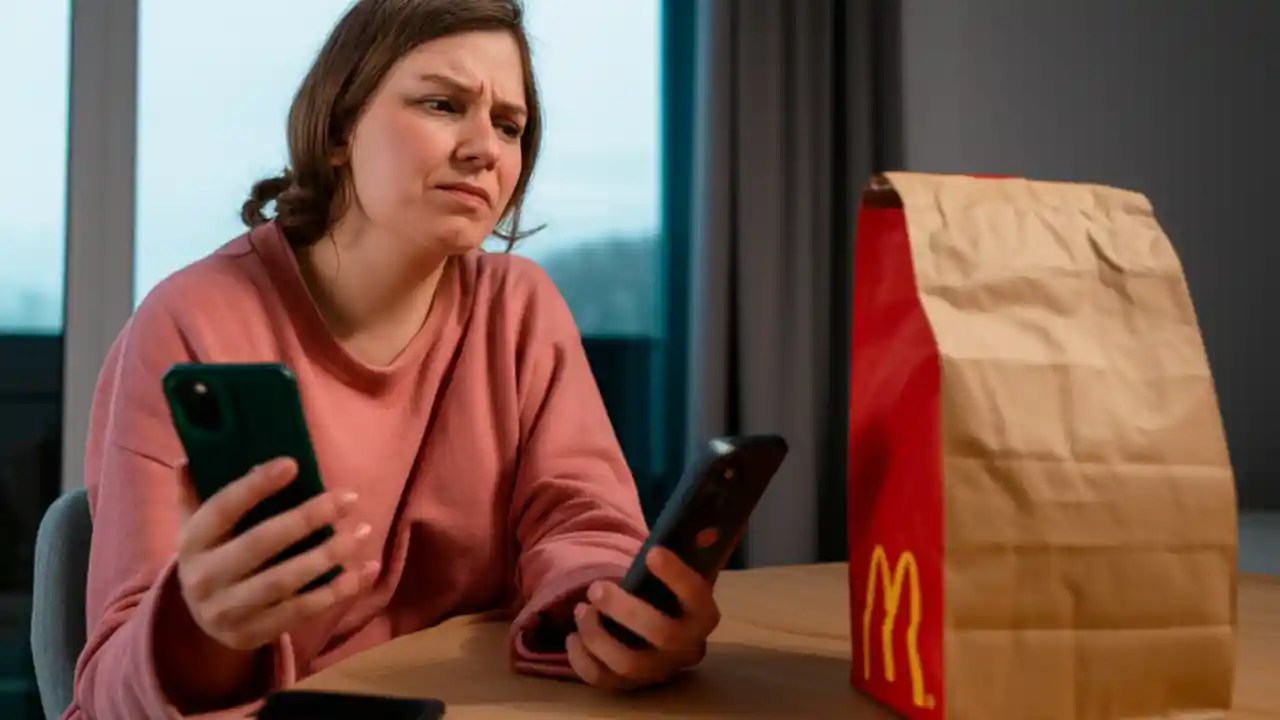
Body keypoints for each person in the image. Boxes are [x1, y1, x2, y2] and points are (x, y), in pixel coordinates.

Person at [65, 1, 722, 717]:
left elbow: (581, 522)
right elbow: (110, 693)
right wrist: (199, 628)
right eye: (443, 104)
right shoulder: (191, 321)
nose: (486, 149)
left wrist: (608, 610)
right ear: (341, 128)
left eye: (509, 125)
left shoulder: (519, 307)